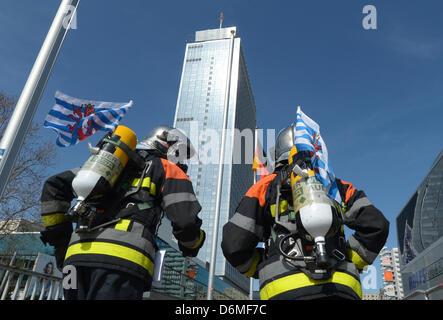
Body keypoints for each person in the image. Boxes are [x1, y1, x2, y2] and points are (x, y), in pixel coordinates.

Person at [221, 123, 389, 300]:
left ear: (279, 155)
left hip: (282, 289)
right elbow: (377, 225)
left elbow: (234, 244)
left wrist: (265, 265)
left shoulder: (264, 187)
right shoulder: (336, 186)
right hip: (341, 288)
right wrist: (347, 259)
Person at [39, 125, 205, 300]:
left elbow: (53, 186)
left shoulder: (108, 163)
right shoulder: (167, 168)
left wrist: (62, 245)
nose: (181, 160)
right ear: (169, 145)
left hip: (74, 262)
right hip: (121, 264)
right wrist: (194, 243)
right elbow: (185, 222)